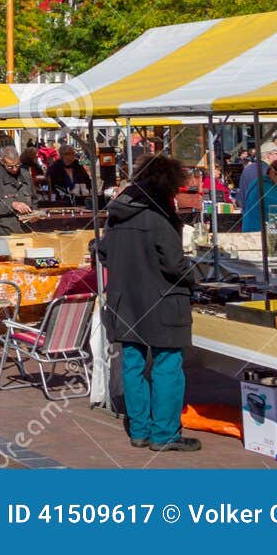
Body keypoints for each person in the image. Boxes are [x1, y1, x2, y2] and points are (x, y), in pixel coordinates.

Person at [97, 155, 200, 452]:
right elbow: (174, 265)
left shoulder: (118, 214)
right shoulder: (158, 217)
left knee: (133, 364)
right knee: (167, 366)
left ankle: (140, 430)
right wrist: (199, 274)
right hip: (163, 302)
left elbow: (104, 253)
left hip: (126, 301)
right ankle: (164, 434)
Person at [0, 146, 36, 235]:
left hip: (25, 231)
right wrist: (12, 204)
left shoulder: (25, 174)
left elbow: (34, 200)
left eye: (17, 165)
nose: (15, 169)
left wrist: (34, 214)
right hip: (2, 232)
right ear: (2, 162)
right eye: (10, 166)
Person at [235, 152, 277, 233]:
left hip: (248, 222)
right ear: (268, 155)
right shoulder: (268, 175)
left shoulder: (248, 169)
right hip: (262, 226)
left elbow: (241, 196)